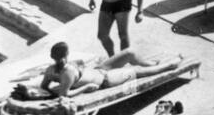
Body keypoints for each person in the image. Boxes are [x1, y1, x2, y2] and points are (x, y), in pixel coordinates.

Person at [38, 41, 180, 99]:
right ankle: (170, 66)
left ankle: (151, 64)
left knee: (129, 53)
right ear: (66, 55)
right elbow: (65, 95)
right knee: (136, 70)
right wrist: (86, 86)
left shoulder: (50, 70)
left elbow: (44, 86)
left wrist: (53, 90)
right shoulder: (67, 72)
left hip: (99, 70)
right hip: (106, 80)